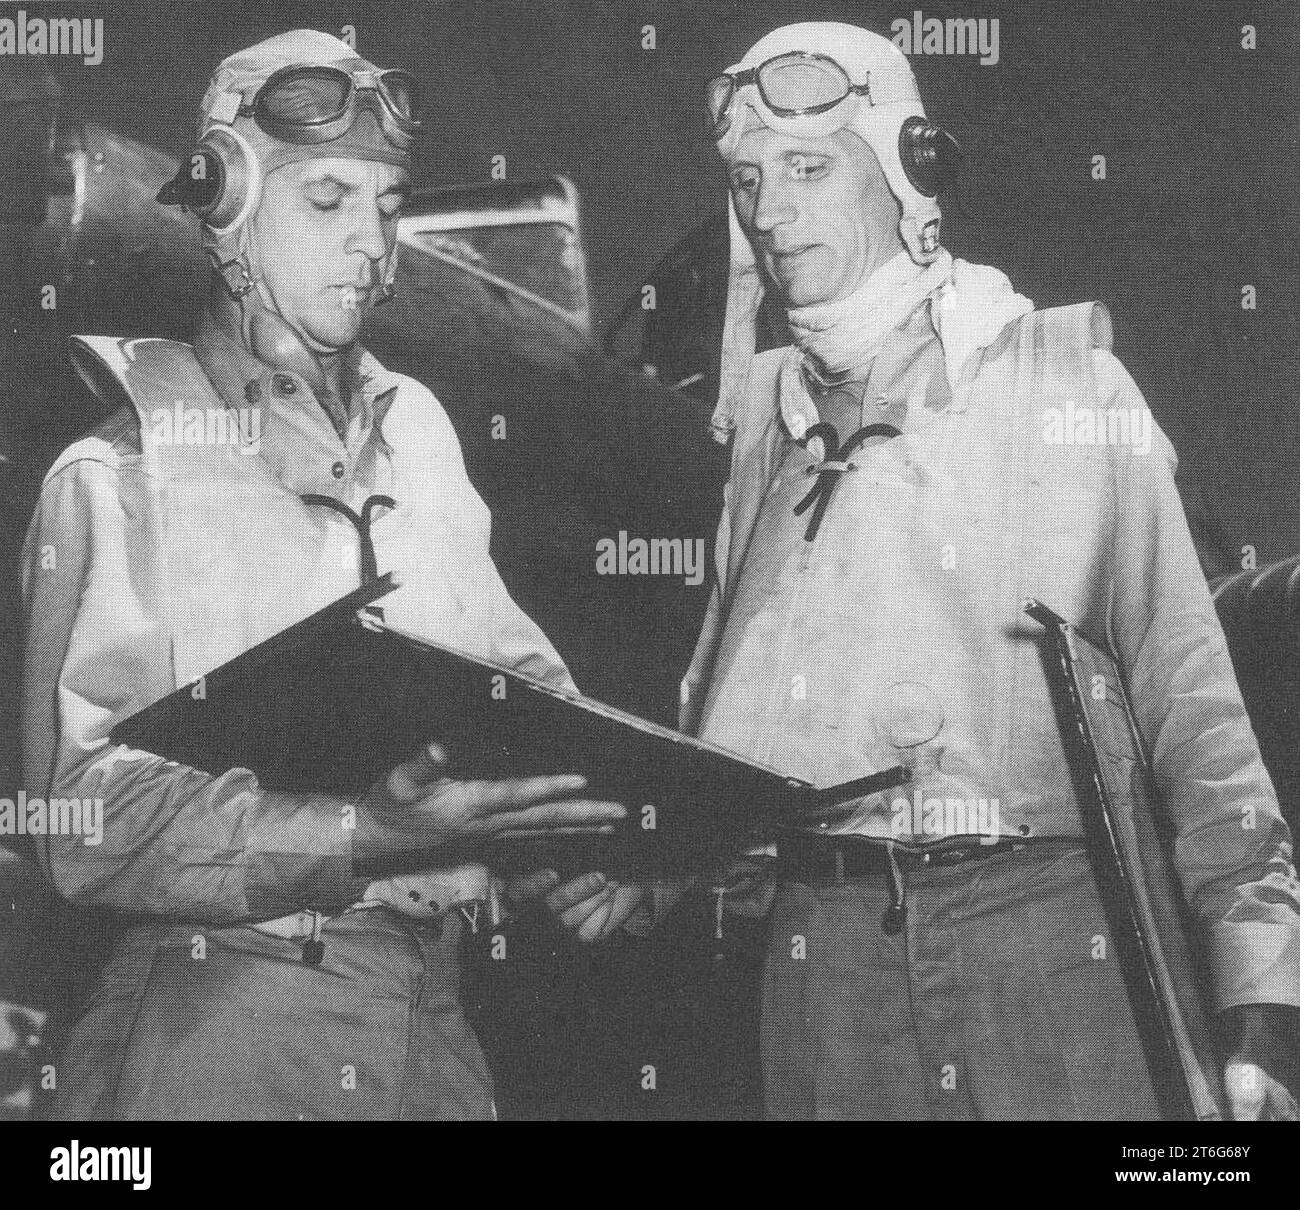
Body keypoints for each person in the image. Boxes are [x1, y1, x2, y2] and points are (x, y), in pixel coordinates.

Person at [541, 21, 1300, 1120]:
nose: (770, 207)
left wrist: (1263, 1006)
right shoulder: (763, 435)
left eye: (807, 168)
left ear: (904, 169)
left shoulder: (1059, 379)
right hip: (821, 964)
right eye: (748, 179)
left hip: (1045, 942)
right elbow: (745, 748)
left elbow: (1195, 713)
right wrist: (664, 860)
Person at [20, 29, 623, 1120]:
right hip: (225, 1024)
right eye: (328, 201)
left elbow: (525, 708)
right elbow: (79, 816)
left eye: (388, 208)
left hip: (433, 1019)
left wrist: (619, 837)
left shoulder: (422, 437)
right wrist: (357, 834)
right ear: (229, 208)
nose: (371, 245)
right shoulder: (122, 471)